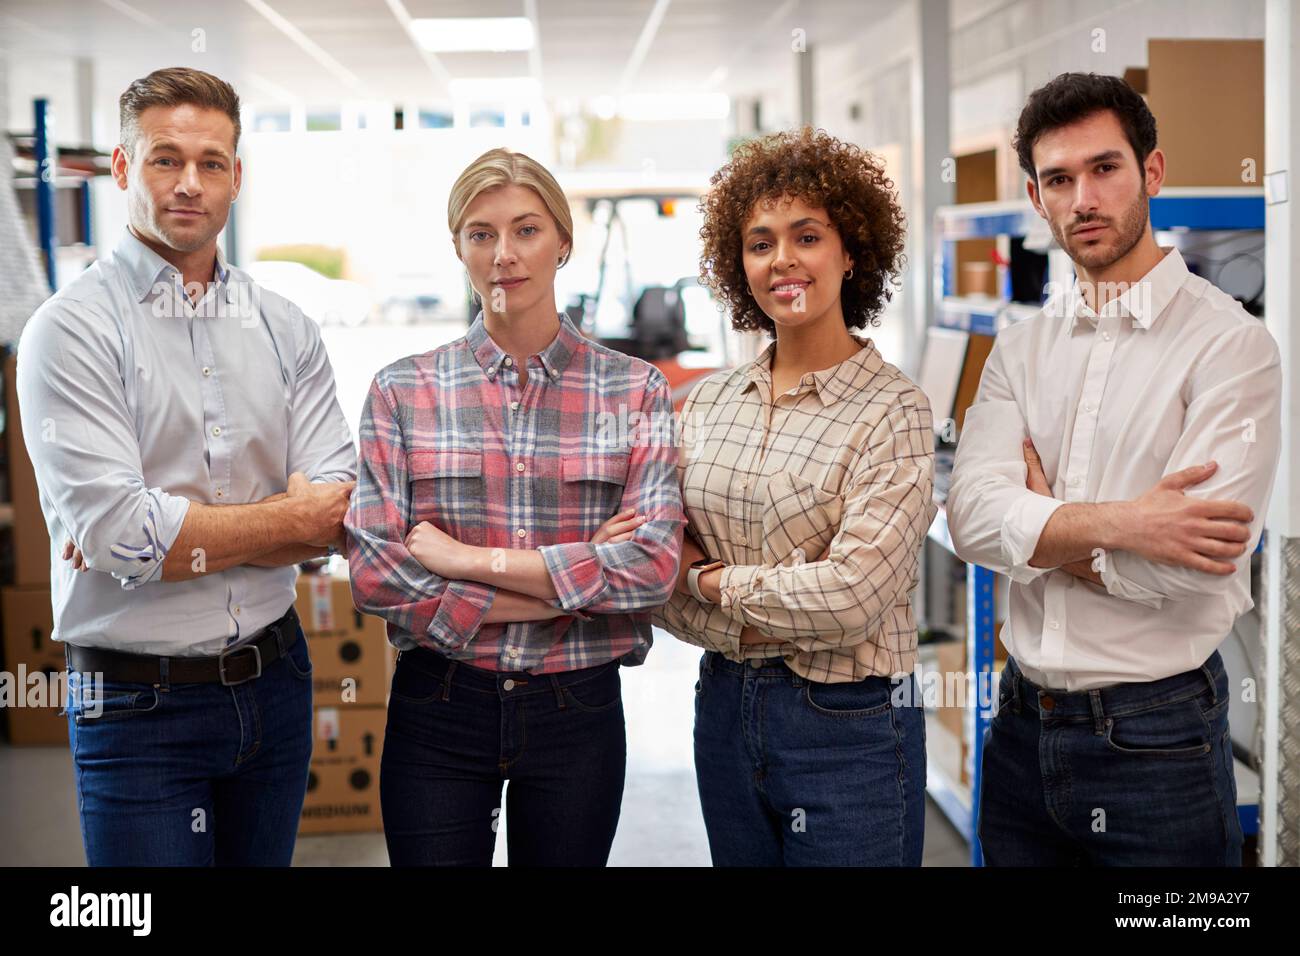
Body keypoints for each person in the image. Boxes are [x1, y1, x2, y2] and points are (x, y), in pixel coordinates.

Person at [16, 67, 357, 866]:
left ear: (236, 176)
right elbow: (122, 537)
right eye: (165, 158)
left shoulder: (287, 328)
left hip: (276, 683)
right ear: (124, 167)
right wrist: (287, 519)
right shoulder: (69, 332)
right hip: (137, 706)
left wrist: (171, 527)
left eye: (211, 162)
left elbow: (337, 509)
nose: (189, 184)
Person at [947, 72, 1281, 866]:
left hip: (1156, 743)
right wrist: (1133, 525)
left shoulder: (1231, 349)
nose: (1083, 198)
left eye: (1105, 169)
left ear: (1152, 172)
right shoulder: (1021, 348)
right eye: (1059, 179)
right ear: (1036, 196)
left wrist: (1044, 529)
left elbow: (1200, 571)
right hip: (1021, 731)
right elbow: (971, 521)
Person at [345, 147, 684, 867]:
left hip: (577, 710)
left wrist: (465, 563)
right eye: (480, 233)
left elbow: (651, 571)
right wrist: (575, 587)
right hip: (439, 705)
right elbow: (376, 576)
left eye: (526, 230)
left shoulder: (635, 391)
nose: (504, 254)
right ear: (459, 247)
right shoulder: (402, 393)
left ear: (563, 240)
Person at [651, 127, 936, 866]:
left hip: (849, 726)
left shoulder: (894, 410)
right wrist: (736, 611)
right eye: (759, 241)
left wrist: (710, 579)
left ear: (850, 251)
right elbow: (650, 566)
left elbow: (852, 597)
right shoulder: (707, 404)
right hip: (723, 711)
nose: (782, 259)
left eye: (806, 236)